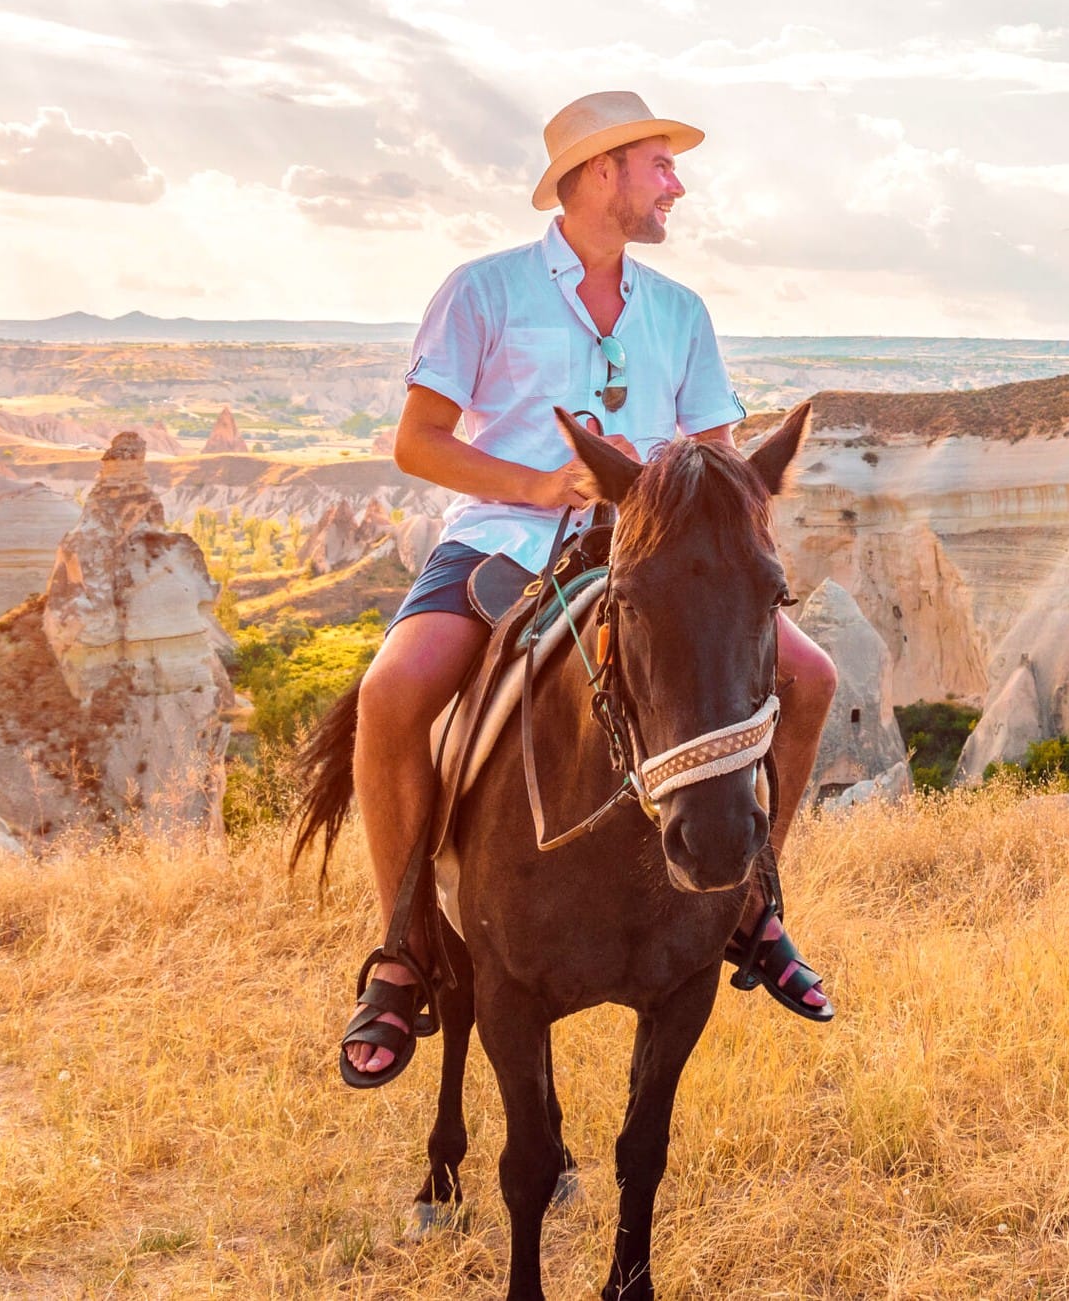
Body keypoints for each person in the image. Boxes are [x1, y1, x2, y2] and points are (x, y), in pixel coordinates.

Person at [338, 91, 840, 1087]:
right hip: (505, 540)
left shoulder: (678, 310)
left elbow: (720, 461)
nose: (675, 185)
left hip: (650, 560)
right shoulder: (483, 291)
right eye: (660, 165)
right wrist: (533, 481)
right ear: (603, 171)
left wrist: (732, 543)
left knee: (812, 679)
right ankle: (403, 949)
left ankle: (752, 901)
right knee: (392, 692)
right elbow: (416, 441)